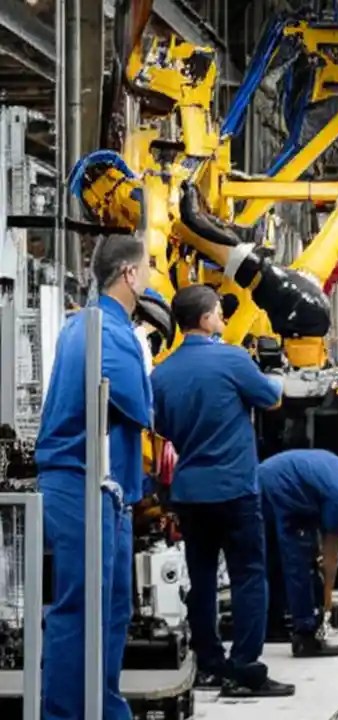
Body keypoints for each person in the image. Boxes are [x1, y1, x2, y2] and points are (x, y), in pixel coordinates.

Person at [151, 285, 294, 697]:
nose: (223, 318)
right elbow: (272, 398)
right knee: (248, 575)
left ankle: (209, 664)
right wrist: (274, 371)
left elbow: (162, 428)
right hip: (235, 489)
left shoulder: (161, 373)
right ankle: (244, 669)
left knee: (201, 579)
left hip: (190, 493)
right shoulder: (232, 359)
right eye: (218, 312)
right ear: (205, 319)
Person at [36, 234, 154, 719]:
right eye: (147, 267)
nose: (150, 276)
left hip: (104, 488)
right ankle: (66, 714)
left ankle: (103, 706)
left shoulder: (88, 324)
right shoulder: (108, 330)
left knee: (111, 609)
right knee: (81, 609)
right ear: (130, 274)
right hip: (81, 483)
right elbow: (140, 405)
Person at [259, 449, 338, 657]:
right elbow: (331, 556)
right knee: (299, 562)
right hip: (282, 491)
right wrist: (327, 600)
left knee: (272, 559)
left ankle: (270, 625)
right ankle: (305, 636)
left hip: (265, 481)